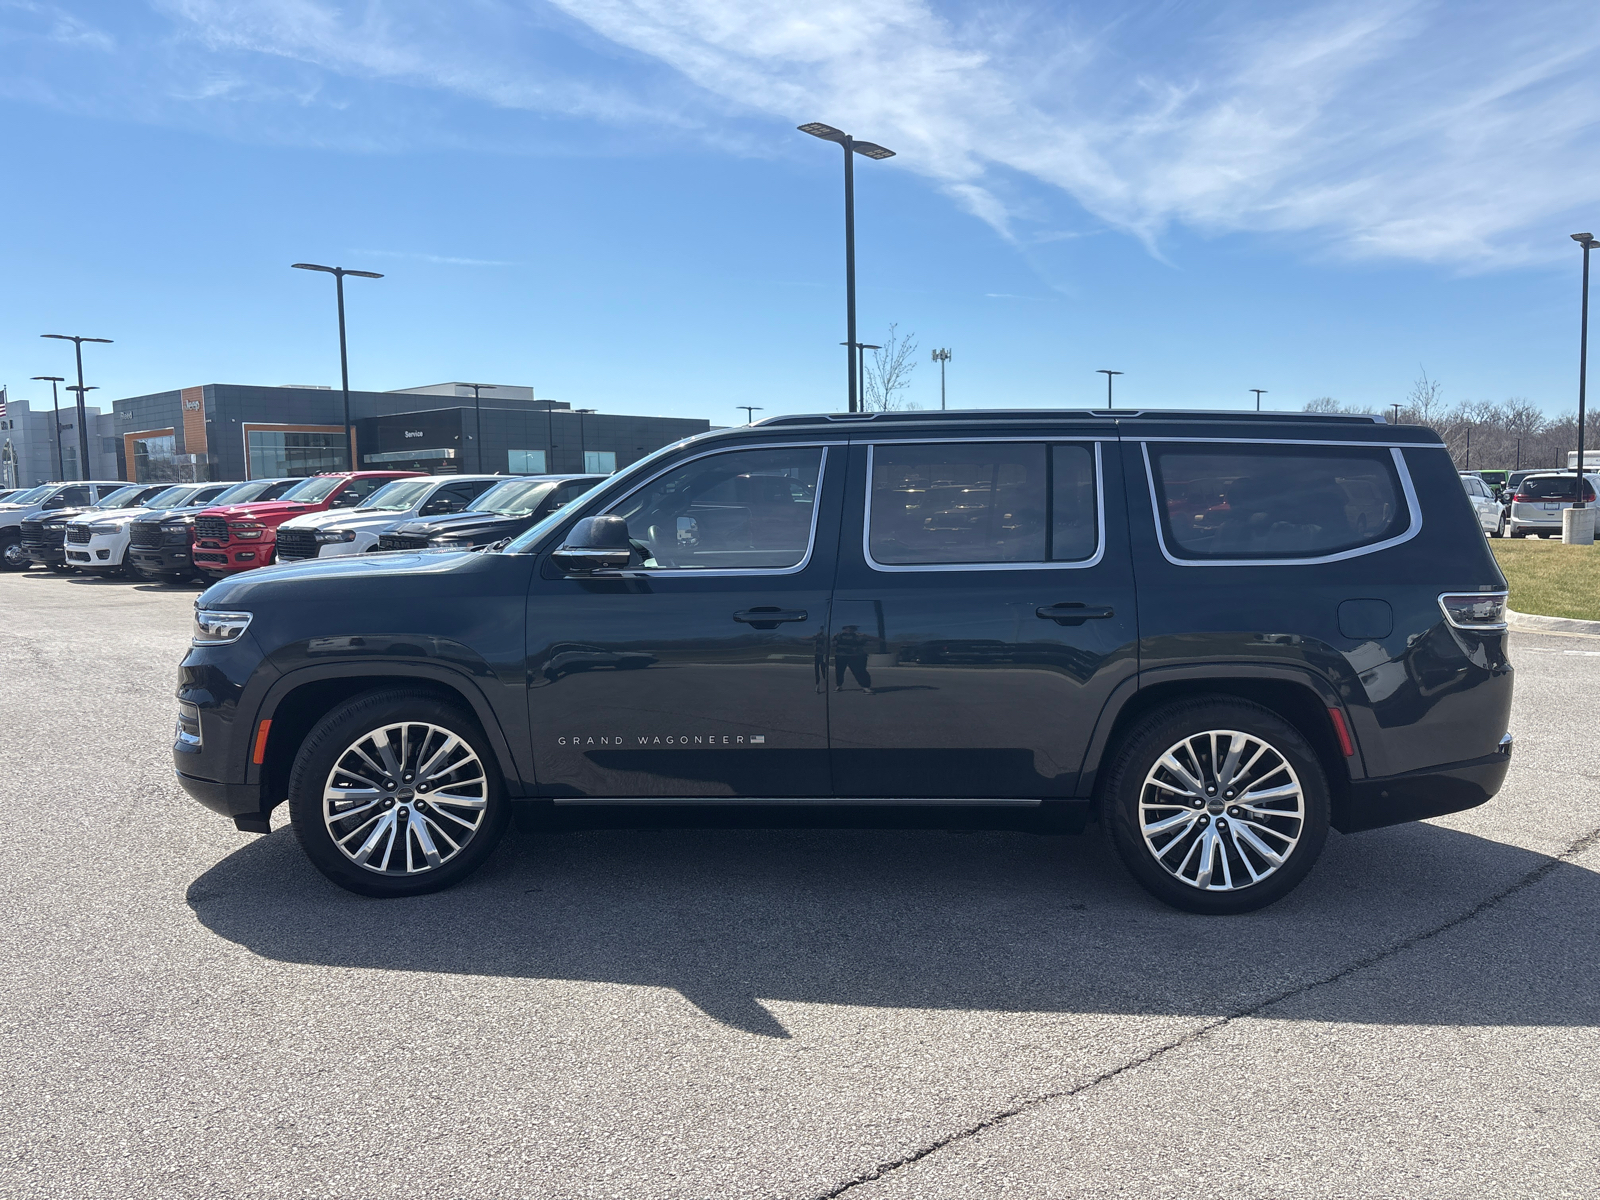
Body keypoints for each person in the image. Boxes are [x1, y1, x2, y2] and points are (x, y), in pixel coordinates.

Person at [833, 624, 874, 694]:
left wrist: (866, 636)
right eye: (846, 629)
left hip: (854, 656)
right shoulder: (838, 636)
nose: (848, 630)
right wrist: (833, 638)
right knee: (839, 671)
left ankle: (866, 687)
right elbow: (832, 644)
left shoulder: (858, 636)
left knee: (859, 671)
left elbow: (871, 642)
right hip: (841, 656)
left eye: (851, 629)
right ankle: (839, 685)